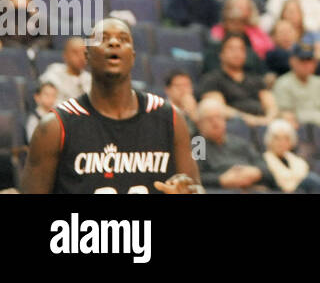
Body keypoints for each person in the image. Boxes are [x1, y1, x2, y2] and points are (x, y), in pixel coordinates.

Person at [21, 17, 200, 193]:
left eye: (123, 39)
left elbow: (196, 189)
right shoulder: (55, 127)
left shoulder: (170, 119)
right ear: (87, 56)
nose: (114, 43)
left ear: (133, 56)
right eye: (103, 39)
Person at [194, 95, 271, 191]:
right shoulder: (198, 145)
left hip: (251, 187)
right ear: (199, 123)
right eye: (209, 119)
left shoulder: (240, 142)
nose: (215, 123)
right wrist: (220, 180)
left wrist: (257, 172)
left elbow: (265, 168)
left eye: (218, 117)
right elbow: (195, 177)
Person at [198, 34, 275, 125]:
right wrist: (249, 120)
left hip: (263, 122)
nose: (237, 53)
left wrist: (269, 119)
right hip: (233, 125)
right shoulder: (212, 79)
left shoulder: (255, 79)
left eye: (241, 49)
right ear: (221, 54)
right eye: (232, 49)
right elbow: (218, 108)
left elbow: (271, 105)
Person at [262, 118, 320, 193]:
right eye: (277, 138)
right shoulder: (263, 160)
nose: (281, 143)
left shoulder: (297, 160)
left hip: (302, 191)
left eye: (286, 139)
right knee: (311, 180)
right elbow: (282, 184)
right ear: (270, 140)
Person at [39, 36, 92, 103]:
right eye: (75, 52)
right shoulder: (54, 72)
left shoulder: (89, 79)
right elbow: (46, 101)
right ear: (65, 55)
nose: (81, 57)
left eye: (84, 53)